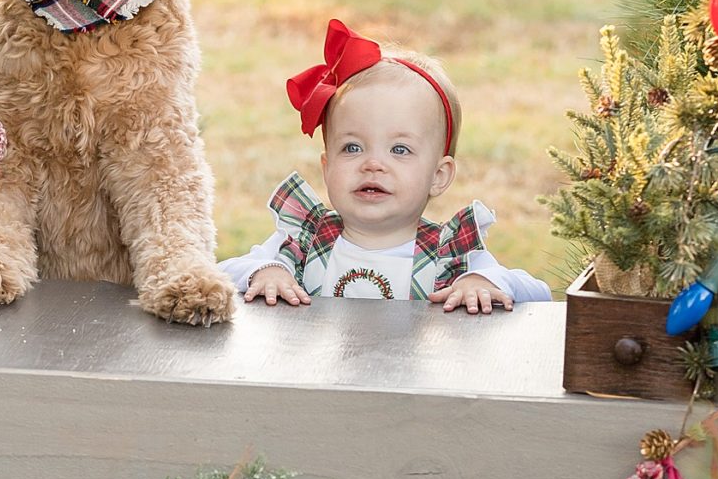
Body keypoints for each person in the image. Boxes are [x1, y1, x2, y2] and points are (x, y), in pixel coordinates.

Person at [222, 19, 550, 310]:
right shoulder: (305, 243)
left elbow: (540, 294)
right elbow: (221, 272)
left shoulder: (449, 257)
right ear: (327, 167)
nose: (374, 164)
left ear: (438, 176)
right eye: (352, 147)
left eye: (400, 149)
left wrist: (485, 283)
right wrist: (266, 271)